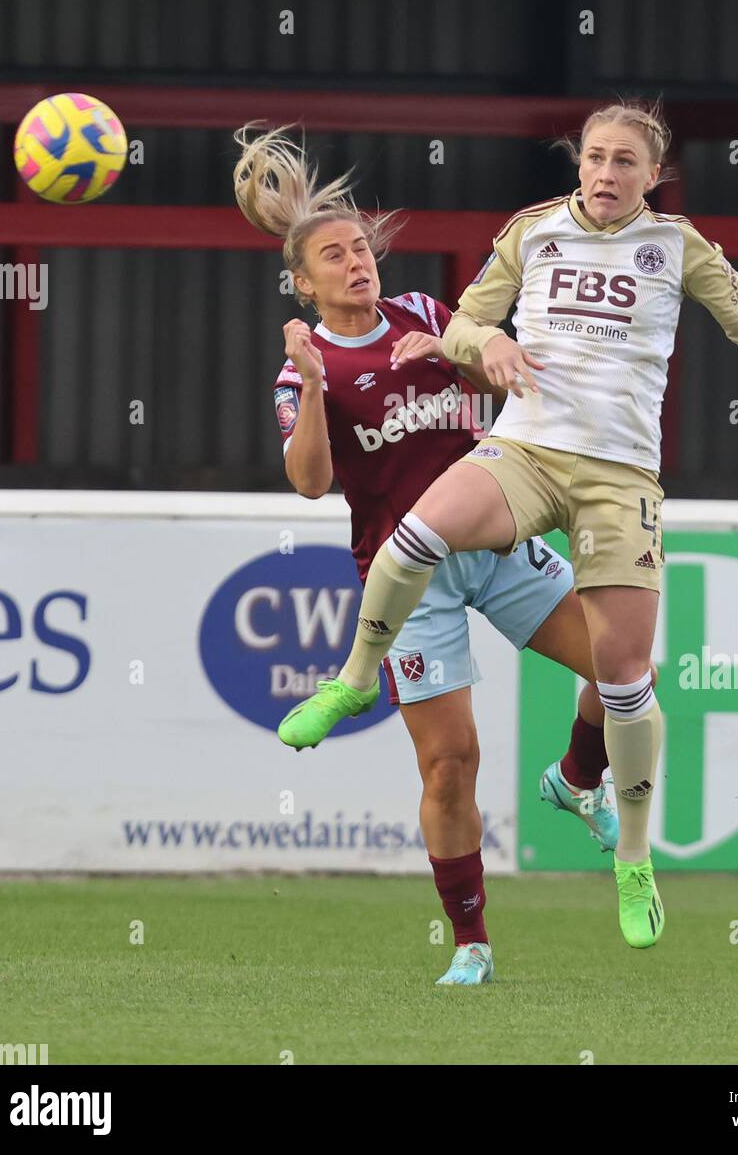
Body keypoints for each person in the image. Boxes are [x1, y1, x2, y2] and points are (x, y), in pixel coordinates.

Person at [288, 99, 738, 951]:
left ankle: (632, 859)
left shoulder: (678, 248)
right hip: (526, 450)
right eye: (595, 158)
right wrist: (480, 348)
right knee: (416, 534)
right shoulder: (531, 230)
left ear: (652, 176)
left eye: (624, 163)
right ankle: (352, 680)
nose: (606, 175)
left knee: (625, 676)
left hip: (618, 476)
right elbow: (465, 318)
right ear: (579, 163)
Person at [233, 124, 657, 986]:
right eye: (336, 257)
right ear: (301, 281)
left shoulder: (424, 314)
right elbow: (311, 482)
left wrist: (468, 358)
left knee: (624, 671)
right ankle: (470, 942)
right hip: (407, 577)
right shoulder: (303, 373)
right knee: (450, 762)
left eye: (361, 248)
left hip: (497, 545)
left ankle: (576, 780)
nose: (358, 263)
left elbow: (507, 382)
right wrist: (313, 386)